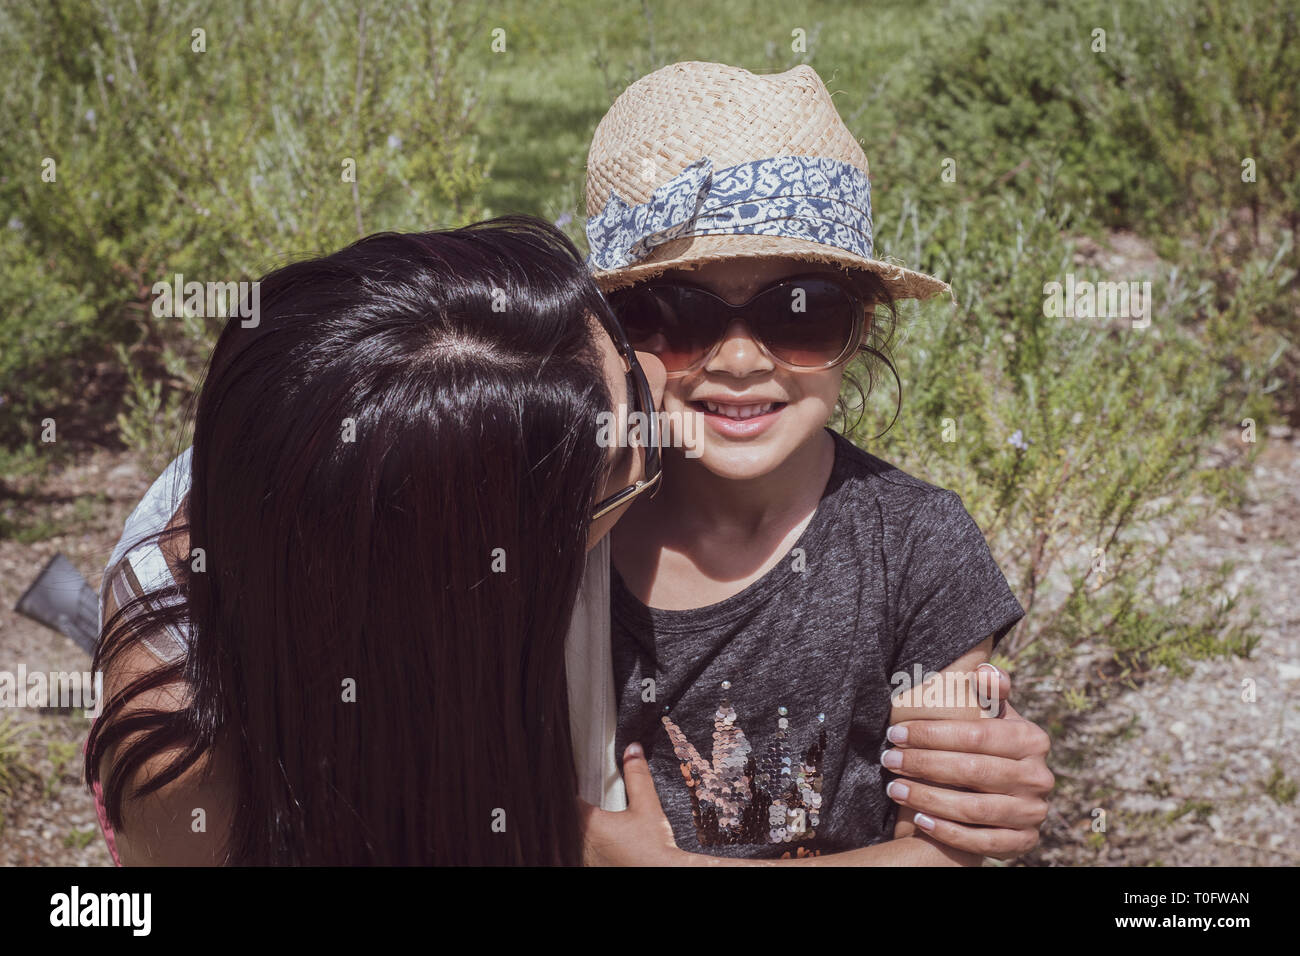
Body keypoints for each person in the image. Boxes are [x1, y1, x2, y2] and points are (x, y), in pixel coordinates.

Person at [579, 61, 1053, 864]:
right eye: (678, 315)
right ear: (612, 334)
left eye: (798, 311)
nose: (737, 361)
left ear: (859, 330)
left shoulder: (916, 546)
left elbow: (947, 846)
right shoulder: (567, 532)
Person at [86, 216, 667, 865]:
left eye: (620, 332)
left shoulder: (339, 443)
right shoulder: (183, 769)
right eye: (622, 458)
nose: (662, 378)